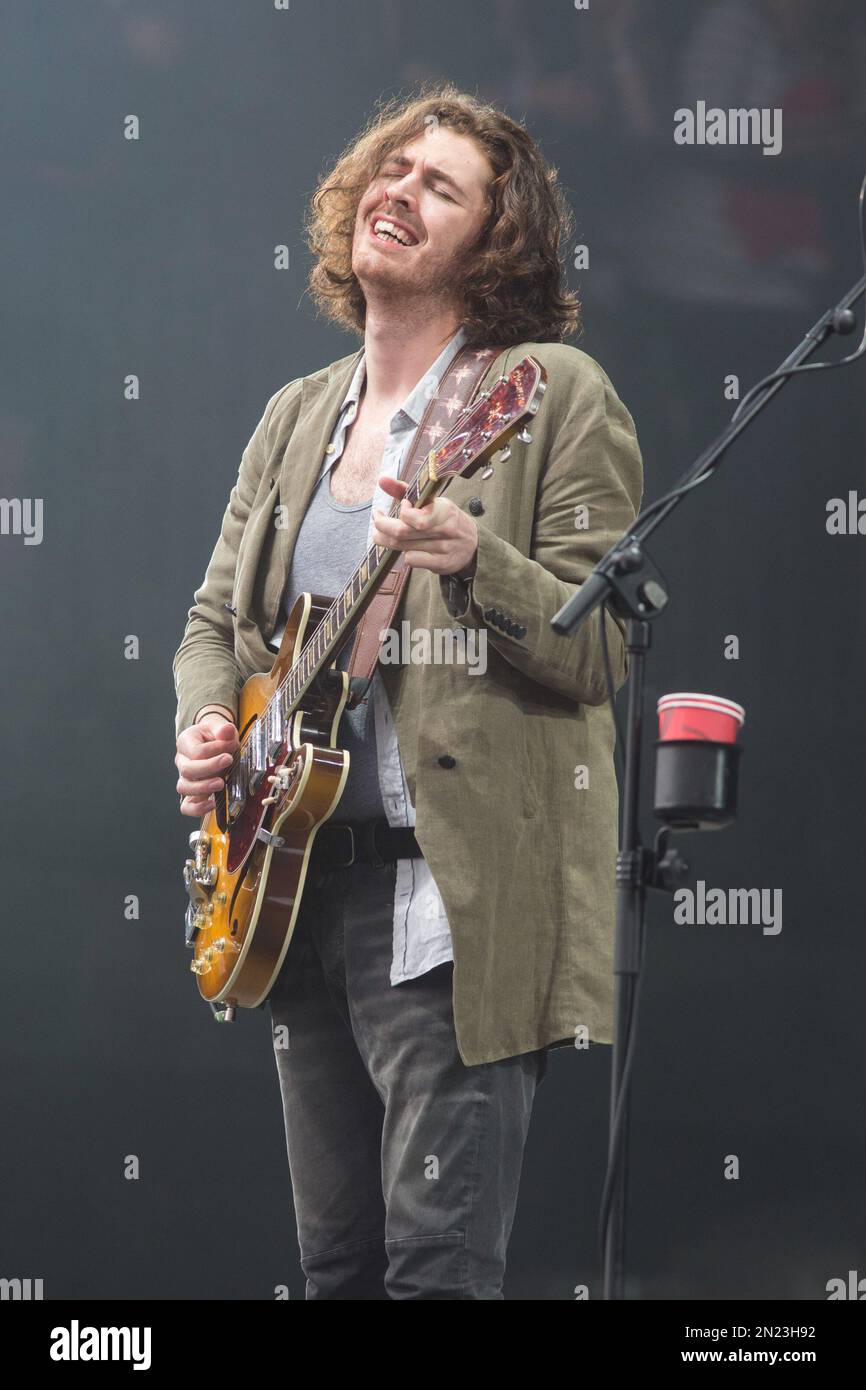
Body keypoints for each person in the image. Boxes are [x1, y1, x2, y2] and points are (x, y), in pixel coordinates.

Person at [172, 84, 643, 1300]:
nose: (397, 190)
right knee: (336, 1269)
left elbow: (601, 651)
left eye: (440, 186)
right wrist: (210, 720)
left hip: (445, 904)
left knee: (435, 1269)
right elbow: (217, 622)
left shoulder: (547, 392)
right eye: (391, 168)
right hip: (293, 884)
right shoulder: (295, 416)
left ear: (497, 244)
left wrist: (471, 557)